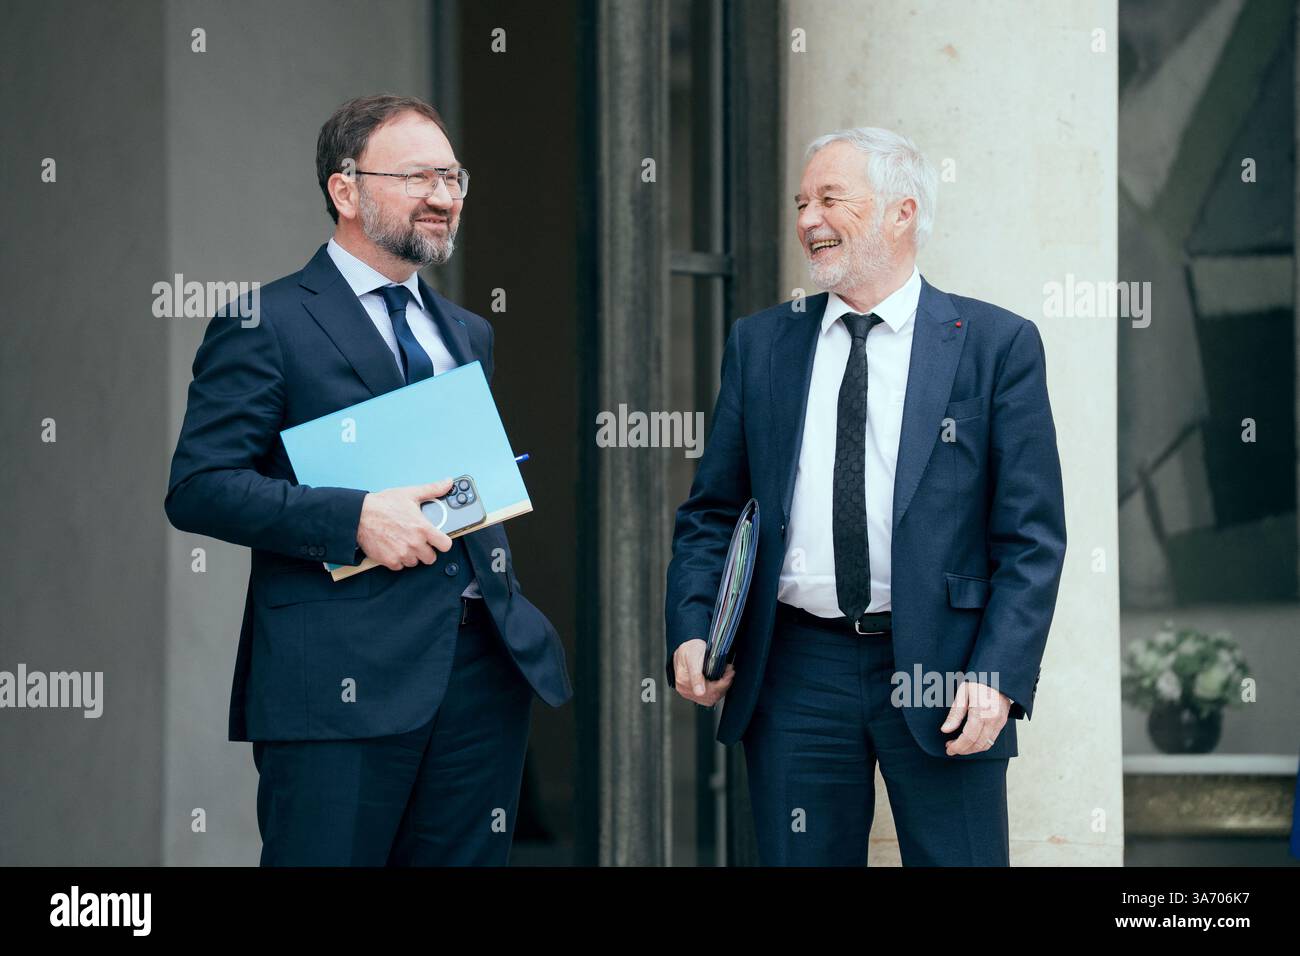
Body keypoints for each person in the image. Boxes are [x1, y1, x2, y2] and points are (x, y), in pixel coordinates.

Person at [165, 93, 571, 866]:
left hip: (482, 672)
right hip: (337, 683)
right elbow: (200, 486)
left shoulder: (467, 332)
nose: (444, 197)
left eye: (453, 178)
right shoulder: (267, 322)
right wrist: (352, 519)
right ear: (344, 189)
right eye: (419, 177)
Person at [665, 126, 1067, 865]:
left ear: (901, 212)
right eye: (800, 202)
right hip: (793, 670)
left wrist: (999, 674)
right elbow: (712, 512)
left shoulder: (994, 344)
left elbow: (1031, 537)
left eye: (829, 199)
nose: (807, 219)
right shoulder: (762, 344)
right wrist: (694, 628)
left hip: (947, 670)